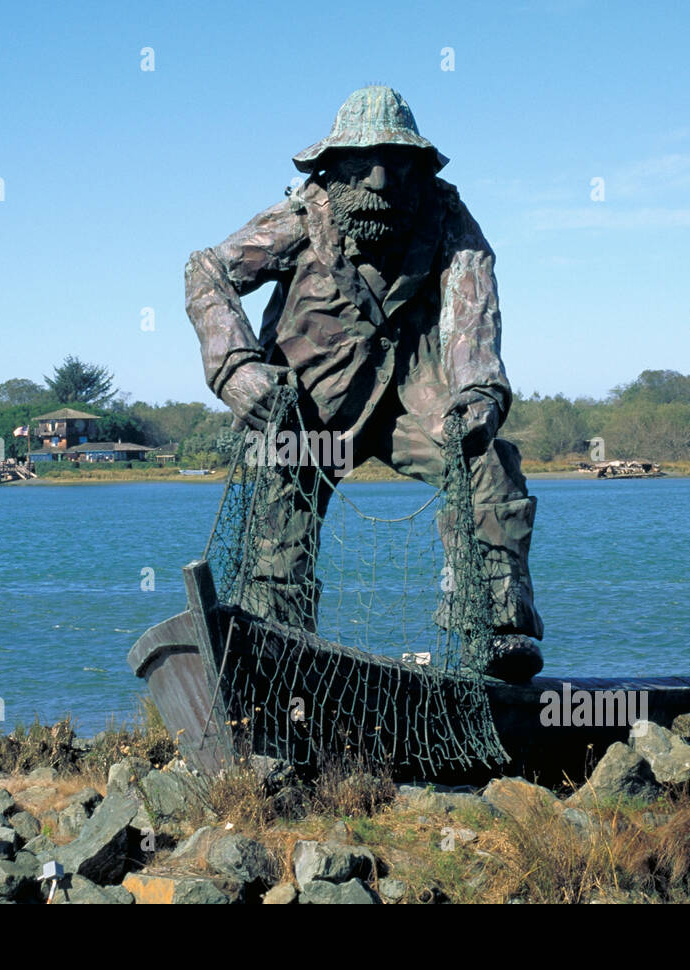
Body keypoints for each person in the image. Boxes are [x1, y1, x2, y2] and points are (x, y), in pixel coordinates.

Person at [184, 85, 545, 681]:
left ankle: (497, 629)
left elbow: (472, 304)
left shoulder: (446, 216)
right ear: (332, 167)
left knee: (485, 458)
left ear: (418, 167)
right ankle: (278, 647)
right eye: (362, 164)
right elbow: (207, 269)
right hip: (309, 409)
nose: (380, 181)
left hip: (413, 404)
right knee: (283, 481)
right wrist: (235, 367)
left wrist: (478, 391)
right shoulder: (300, 217)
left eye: (396, 164)